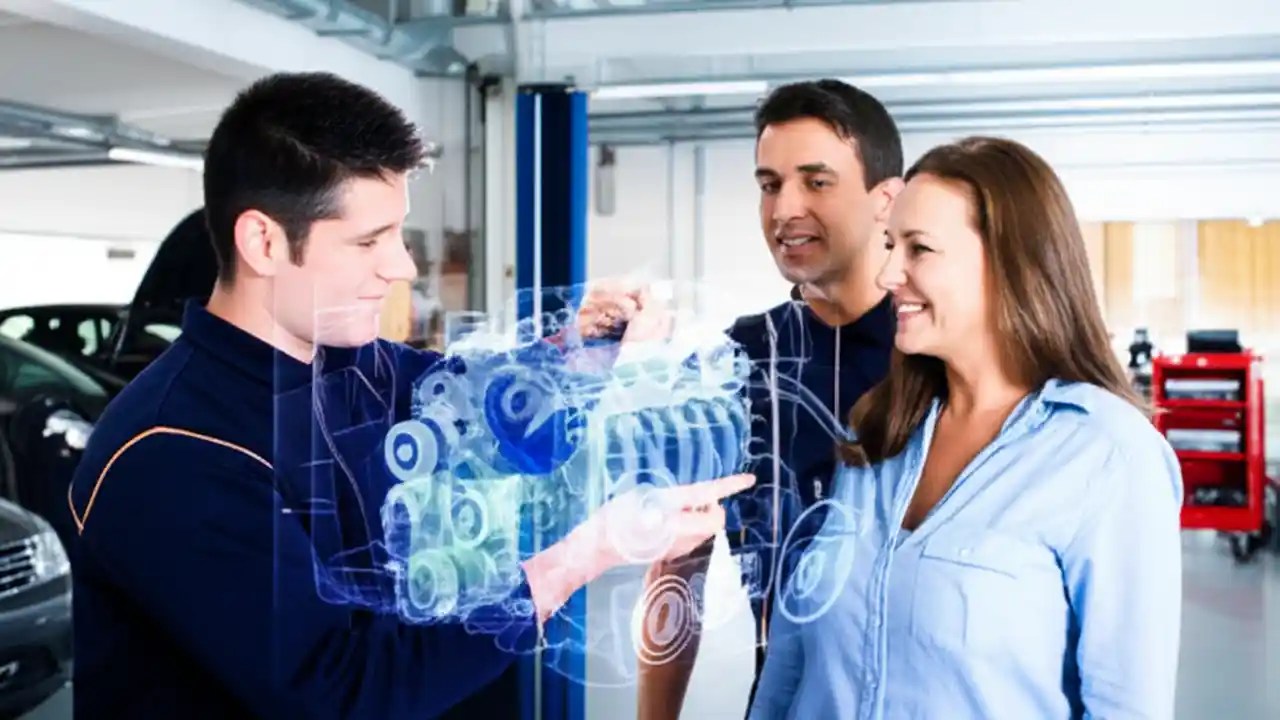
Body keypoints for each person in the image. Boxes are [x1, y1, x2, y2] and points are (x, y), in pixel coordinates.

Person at [66, 71, 753, 720]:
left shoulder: (349, 365)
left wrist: (575, 351)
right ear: (263, 241)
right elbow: (343, 694)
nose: (402, 267)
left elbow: (468, 403)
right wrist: (584, 555)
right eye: (370, 241)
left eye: (397, 233)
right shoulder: (171, 454)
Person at [748, 136, 1183, 719]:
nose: (887, 273)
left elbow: (1127, 707)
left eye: (918, 249)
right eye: (888, 245)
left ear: (1009, 264)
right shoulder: (880, 432)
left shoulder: (1105, 454)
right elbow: (794, 656)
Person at [636, 79, 904, 719]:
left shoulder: (935, 352)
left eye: (817, 182)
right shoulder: (740, 360)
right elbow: (680, 562)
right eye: (769, 184)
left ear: (884, 200)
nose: (785, 209)